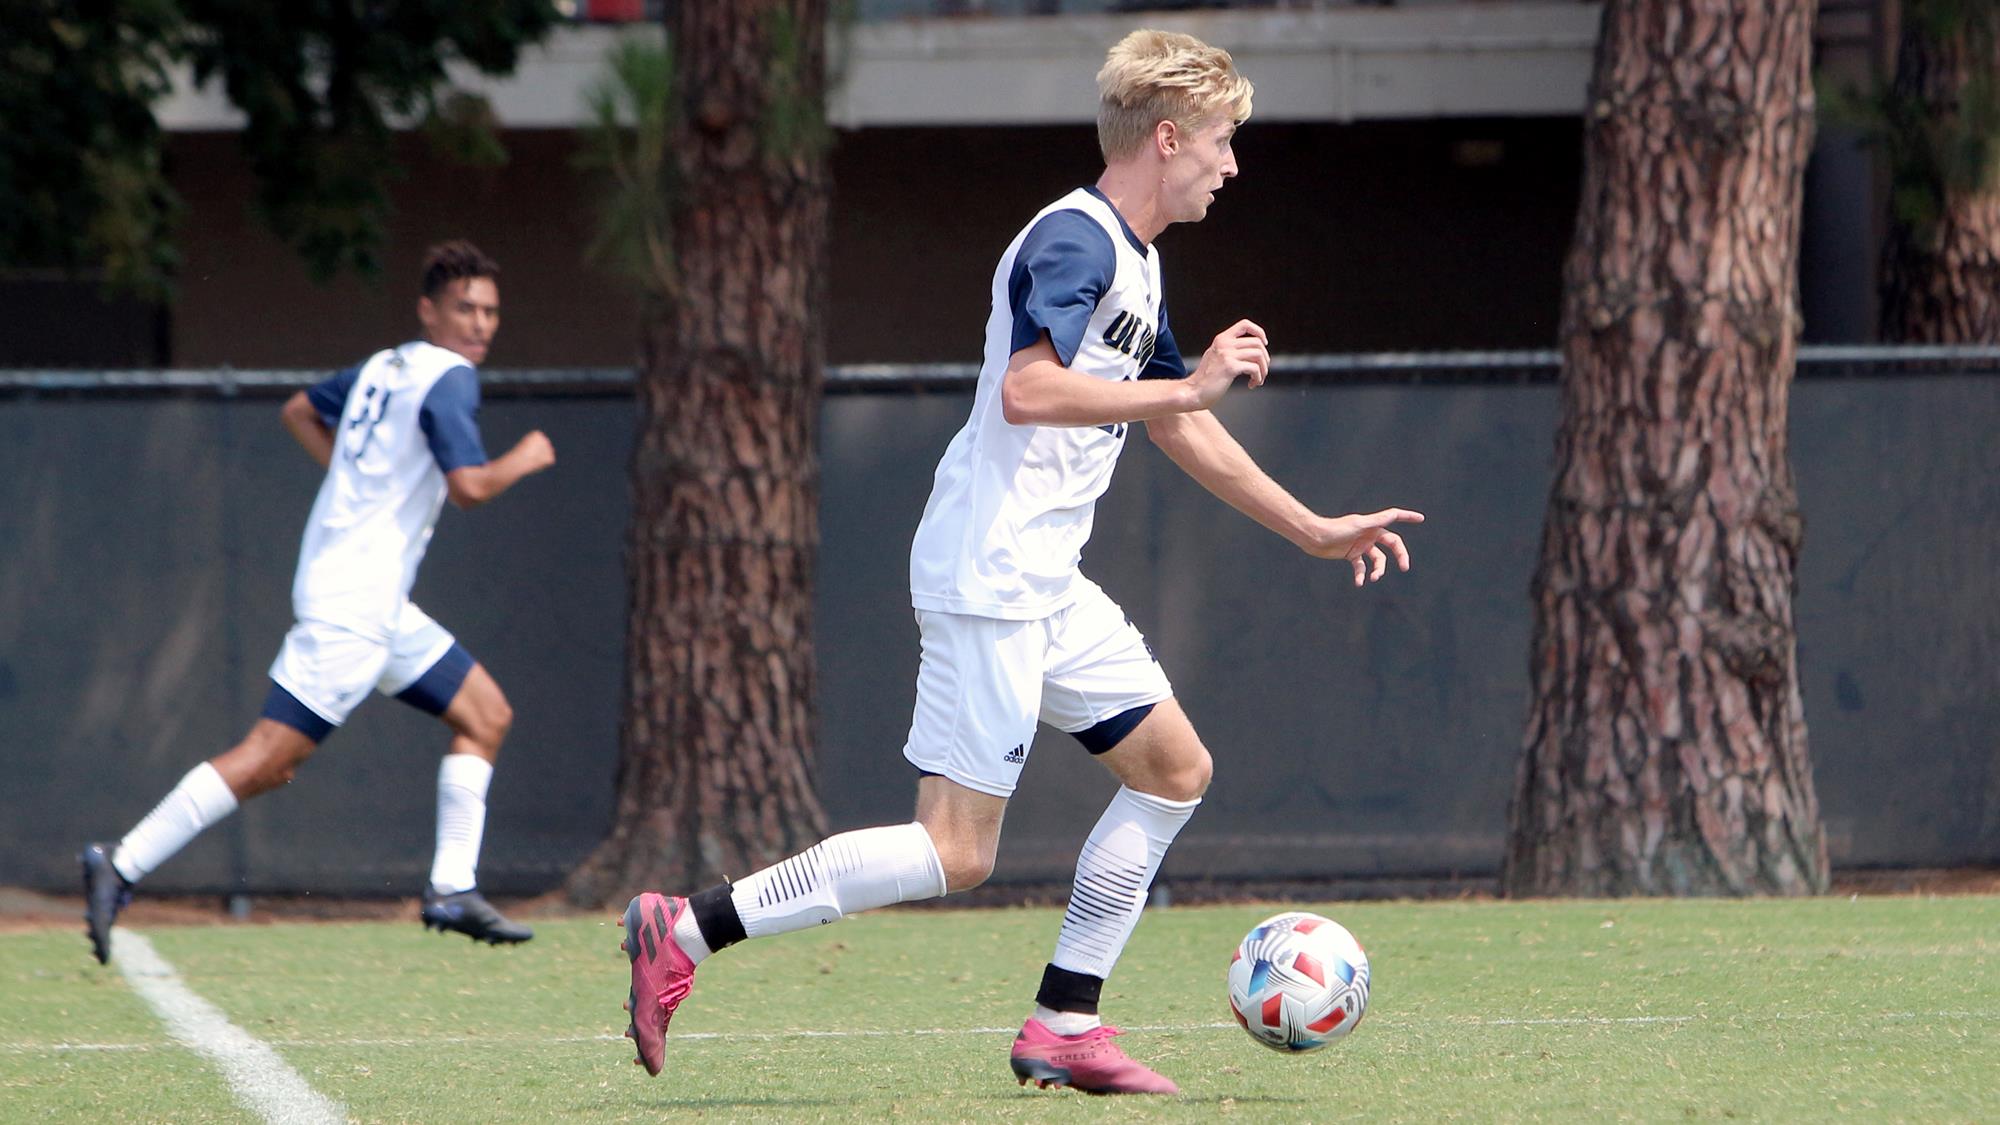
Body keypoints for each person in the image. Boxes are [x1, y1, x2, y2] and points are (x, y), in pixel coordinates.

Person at [617, 29, 1423, 1094]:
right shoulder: (1075, 239)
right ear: (1168, 137)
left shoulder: (1136, 261)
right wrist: (1185, 390)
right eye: (1222, 143)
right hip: (988, 572)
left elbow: (1181, 427)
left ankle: (1063, 1025)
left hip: (1045, 580)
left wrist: (1312, 527)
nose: (1230, 166)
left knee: (1173, 770)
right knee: (955, 853)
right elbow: (1028, 391)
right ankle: (686, 927)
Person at [80, 240, 557, 962]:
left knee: (485, 713)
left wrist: (359, 482)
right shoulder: (450, 376)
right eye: (466, 307)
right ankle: (122, 861)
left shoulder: (383, 367)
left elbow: (300, 409)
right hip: (355, 606)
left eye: (490, 310)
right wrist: (526, 456)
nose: (480, 323)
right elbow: (468, 487)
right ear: (428, 310)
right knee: (269, 757)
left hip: (373, 598)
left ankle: (452, 886)